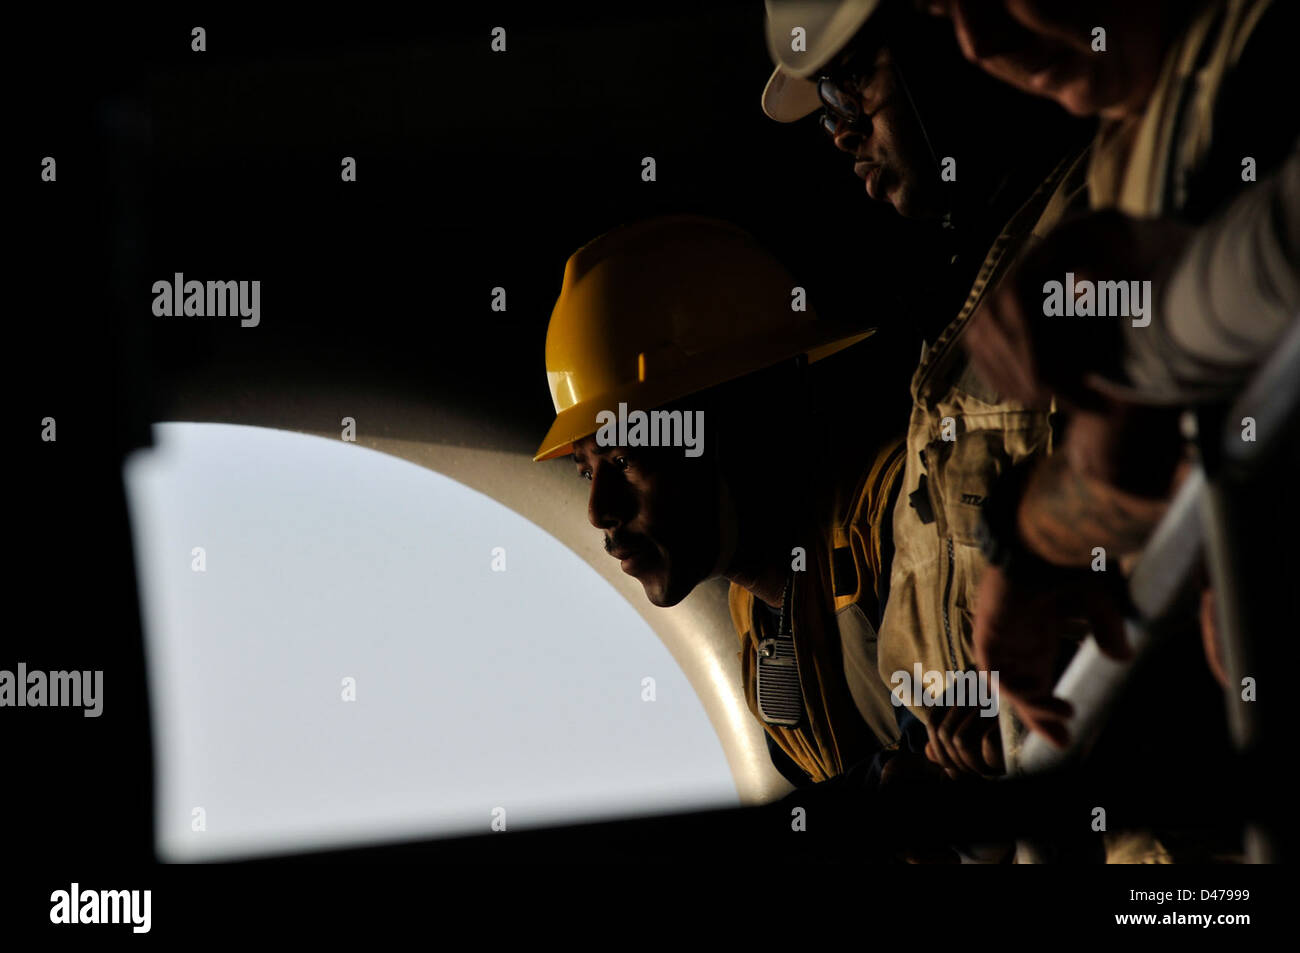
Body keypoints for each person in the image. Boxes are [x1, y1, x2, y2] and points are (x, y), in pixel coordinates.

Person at [924, 0, 1297, 747]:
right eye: (942, 10)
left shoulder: (1260, 49)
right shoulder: (1128, 145)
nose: (977, 40)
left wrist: (1020, 544)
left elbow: (1131, 443)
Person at [760, 0, 1092, 775]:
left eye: (851, 85)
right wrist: (928, 757)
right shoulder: (948, 341)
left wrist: (1021, 715)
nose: (843, 132)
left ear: (950, 41)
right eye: (828, 109)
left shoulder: (1107, 220)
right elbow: (928, 654)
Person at [532, 215, 928, 792]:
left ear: (744, 423)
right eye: (586, 470)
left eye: (623, 460)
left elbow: (954, 795)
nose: (598, 511)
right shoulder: (756, 611)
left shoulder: (902, 519)